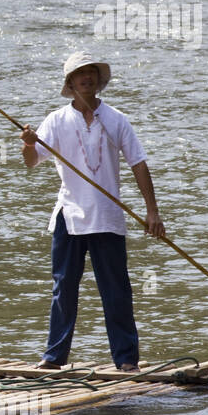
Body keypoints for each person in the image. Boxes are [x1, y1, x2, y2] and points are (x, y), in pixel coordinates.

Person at [20, 54, 166, 373]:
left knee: (116, 290)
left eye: (91, 73)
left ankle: (126, 358)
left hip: (108, 215)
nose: (86, 78)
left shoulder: (116, 119)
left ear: (98, 80)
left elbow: (138, 163)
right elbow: (32, 161)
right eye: (79, 74)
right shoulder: (56, 120)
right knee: (64, 288)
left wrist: (152, 211)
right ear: (69, 83)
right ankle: (54, 356)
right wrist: (29, 144)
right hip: (69, 214)